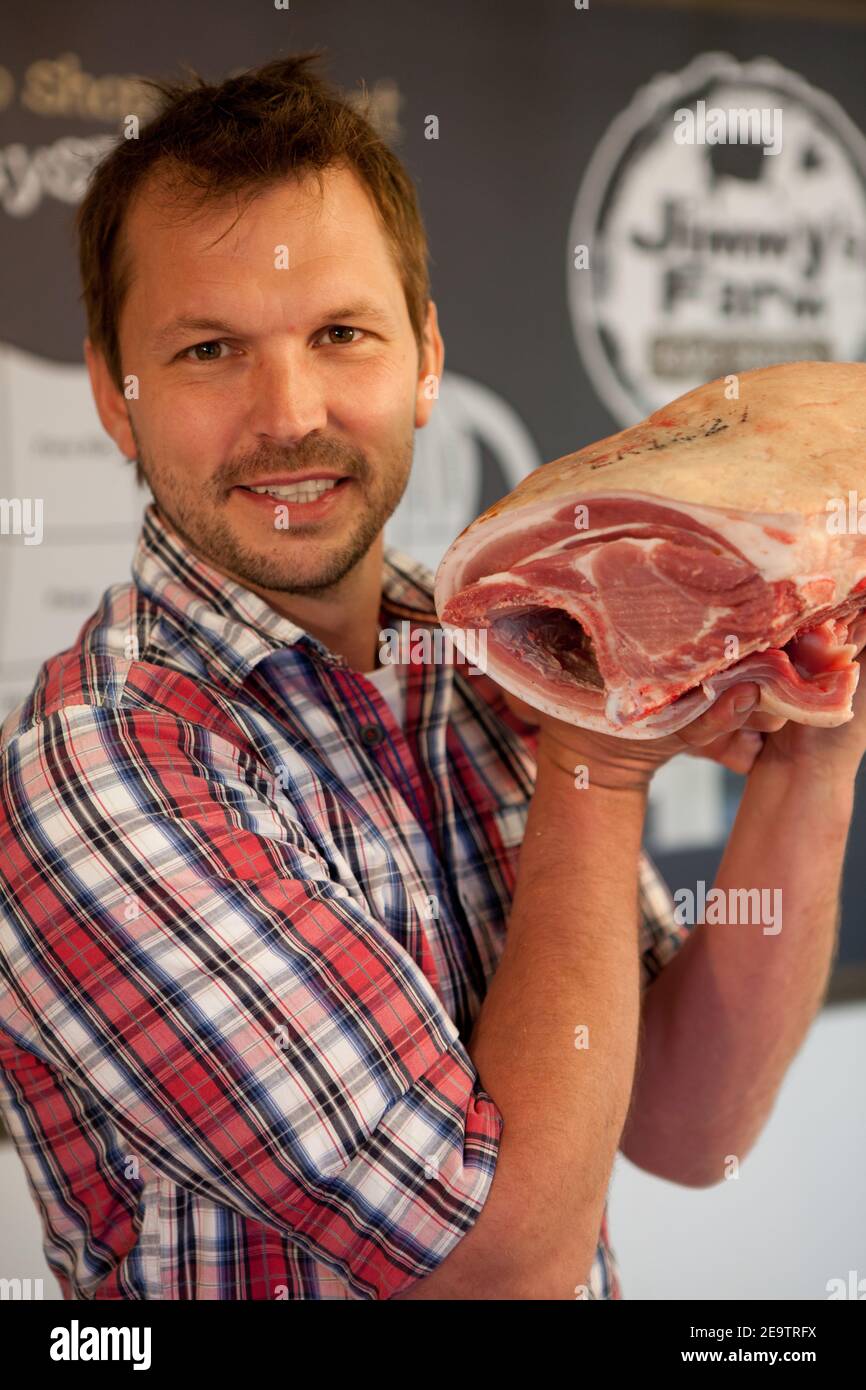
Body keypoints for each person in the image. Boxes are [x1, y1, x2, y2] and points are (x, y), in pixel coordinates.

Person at [1, 52, 864, 1302]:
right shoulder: (98, 773)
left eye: (341, 333)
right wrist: (593, 747)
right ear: (113, 395)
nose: (288, 412)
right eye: (207, 351)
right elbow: (497, 1267)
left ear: (422, 359)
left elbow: (690, 1125)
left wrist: (816, 749)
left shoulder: (480, 645)